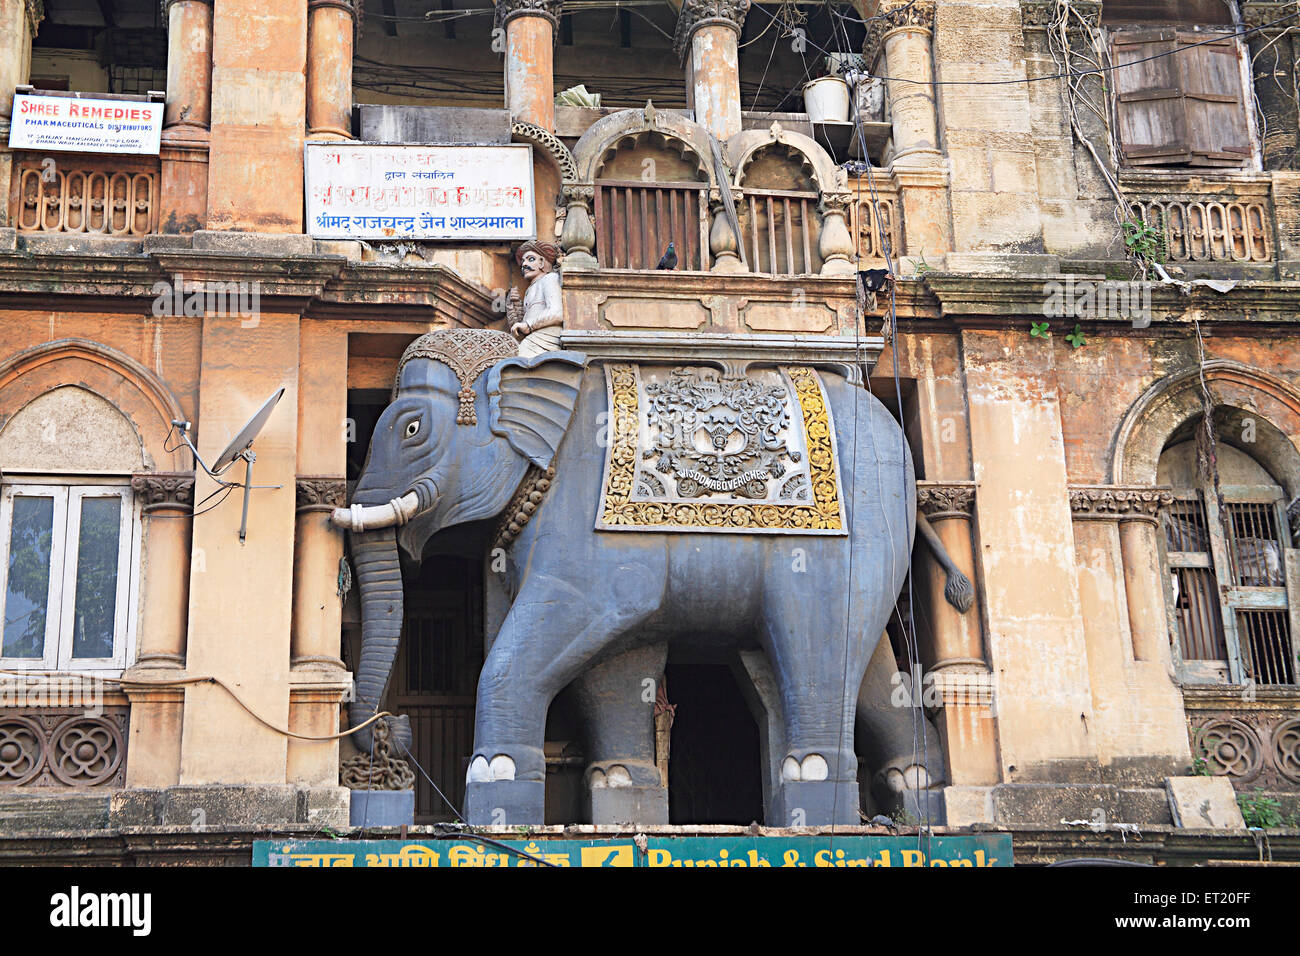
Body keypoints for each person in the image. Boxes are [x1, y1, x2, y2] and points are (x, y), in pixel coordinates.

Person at [507, 240, 564, 358]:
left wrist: (528, 325)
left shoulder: (549, 279)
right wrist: (514, 305)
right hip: (534, 336)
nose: (524, 265)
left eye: (530, 259)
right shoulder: (530, 289)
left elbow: (557, 312)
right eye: (523, 261)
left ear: (542, 262)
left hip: (547, 337)